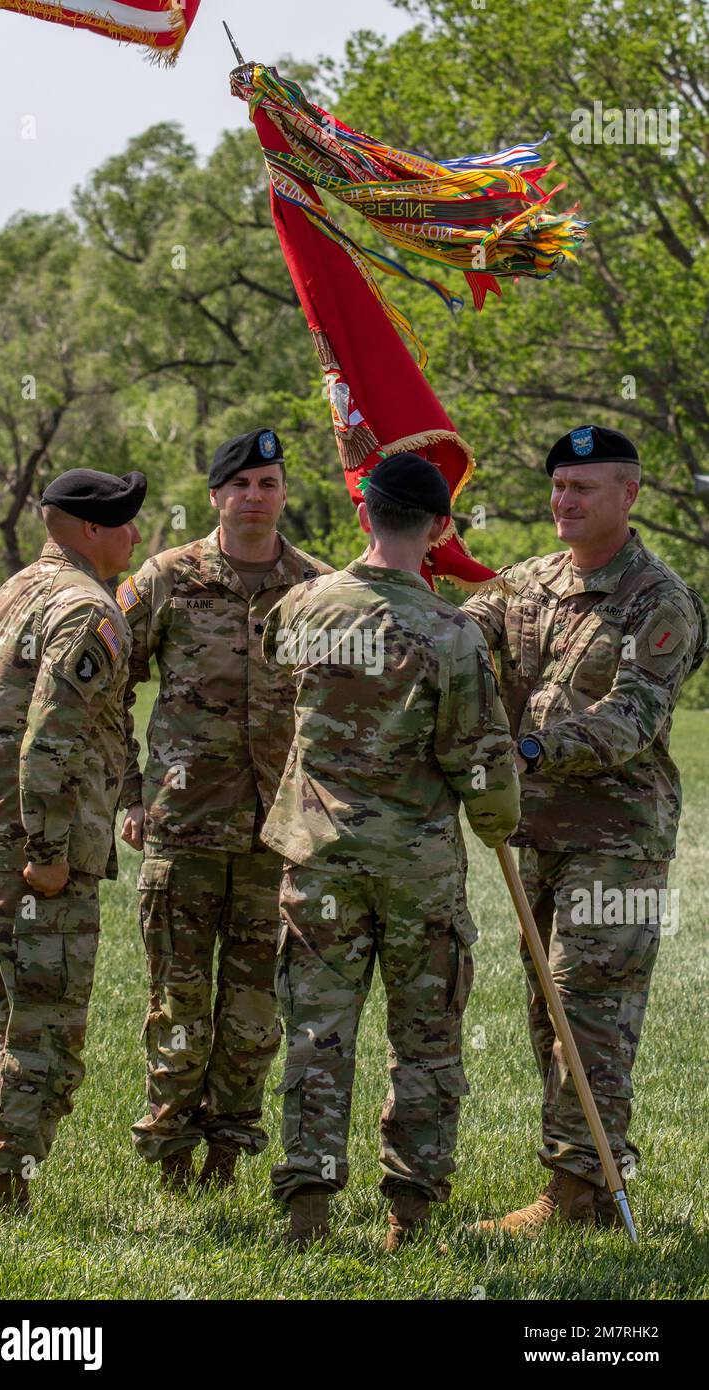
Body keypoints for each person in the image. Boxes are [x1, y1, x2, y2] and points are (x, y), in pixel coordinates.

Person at [259, 452, 521, 1249]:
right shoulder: (453, 634)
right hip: (418, 867)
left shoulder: (301, 606)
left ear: (364, 515)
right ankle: (410, 1213)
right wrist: (497, 817)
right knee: (427, 1037)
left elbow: (281, 695)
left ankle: (308, 1209)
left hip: (321, 856)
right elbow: (477, 758)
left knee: (316, 1032)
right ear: (441, 530)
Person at [461, 425, 707, 1233]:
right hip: (538, 833)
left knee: (590, 1009)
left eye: (585, 488)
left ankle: (580, 1195)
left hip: (620, 839)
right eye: (559, 487)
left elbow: (632, 717)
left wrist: (527, 748)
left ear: (629, 495)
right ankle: (583, 1184)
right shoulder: (526, 582)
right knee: (546, 1007)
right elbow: (460, 636)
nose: (565, 501)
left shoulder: (659, 598)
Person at [118, 428, 332, 1191]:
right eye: (238, 484)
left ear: (282, 494)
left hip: (280, 834)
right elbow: (109, 682)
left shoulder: (316, 586)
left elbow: (344, 703)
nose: (253, 496)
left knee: (254, 1007)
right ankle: (170, 1149)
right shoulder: (167, 578)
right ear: (215, 496)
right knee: (177, 997)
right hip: (183, 826)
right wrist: (129, 791)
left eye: (267, 483)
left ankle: (228, 1147)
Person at [0, 468, 146, 1220]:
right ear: (91, 529)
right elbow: (50, 737)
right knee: (46, 1020)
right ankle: (3, 1192)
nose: (135, 534)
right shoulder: (86, 608)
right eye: (126, 521)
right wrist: (49, 847)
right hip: (31, 846)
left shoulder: (16, 589)